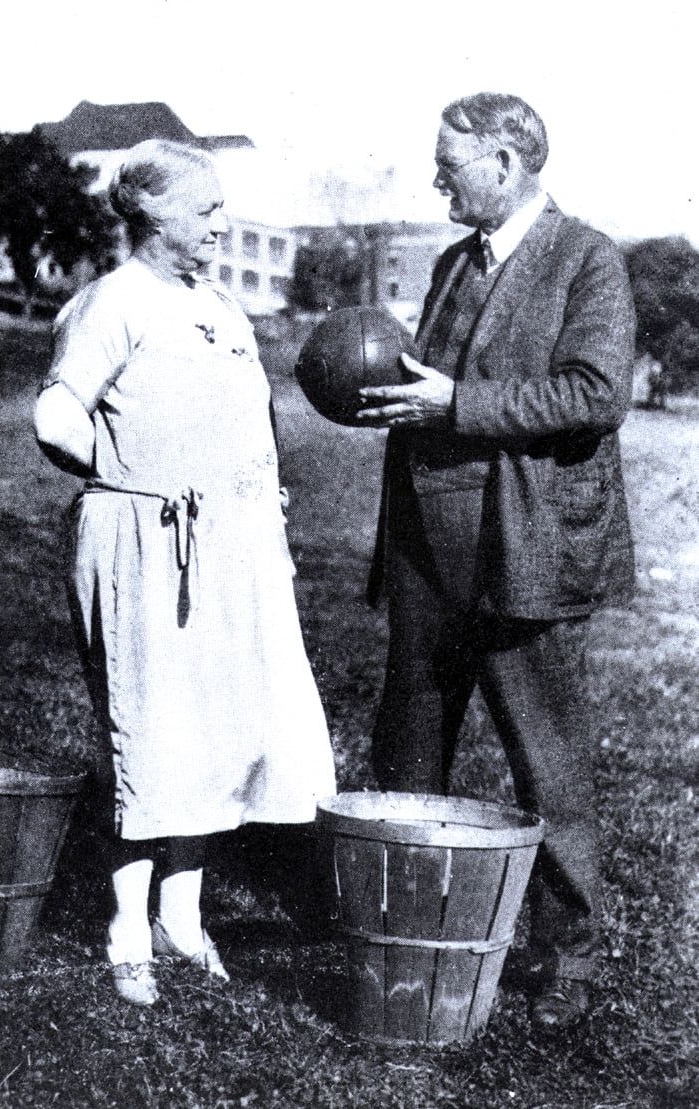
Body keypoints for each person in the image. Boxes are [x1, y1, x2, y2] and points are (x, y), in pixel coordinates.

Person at [33, 140, 335, 1006]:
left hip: (231, 548)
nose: (219, 223)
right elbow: (56, 414)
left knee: (223, 728)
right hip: (141, 539)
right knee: (154, 728)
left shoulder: (221, 308)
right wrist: (129, 474)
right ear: (154, 213)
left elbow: (249, 427)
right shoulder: (111, 302)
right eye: (205, 209)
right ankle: (127, 925)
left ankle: (183, 915)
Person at [357, 93, 635, 1030]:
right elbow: (429, 391)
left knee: (548, 768)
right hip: (428, 555)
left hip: (527, 555)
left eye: (451, 160)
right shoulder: (449, 263)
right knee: (406, 754)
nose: (436, 174)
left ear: (508, 163)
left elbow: (595, 395)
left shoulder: (587, 259)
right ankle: (394, 928)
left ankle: (568, 958)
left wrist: (456, 406)